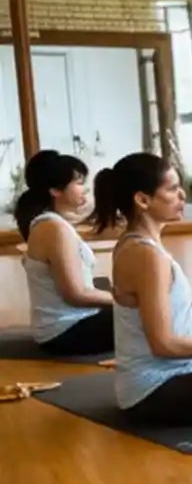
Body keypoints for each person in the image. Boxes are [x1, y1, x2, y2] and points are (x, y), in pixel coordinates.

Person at [89, 152, 192, 424]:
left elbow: (174, 325)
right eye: (172, 189)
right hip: (156, 392)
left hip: (168, 381)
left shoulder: (138, 246)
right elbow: (164, 343)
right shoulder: (146, 256)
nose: (182, 195)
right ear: (142, 200)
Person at [15, 150, 113, 355]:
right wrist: (121, 298)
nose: (84, 189)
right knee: (150, 313)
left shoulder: (54, 224)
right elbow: (75, 294)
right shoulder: (54, 228)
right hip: (66, 330)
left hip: (69, 324)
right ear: (55, 190)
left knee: (148, 310)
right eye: (78, 182)